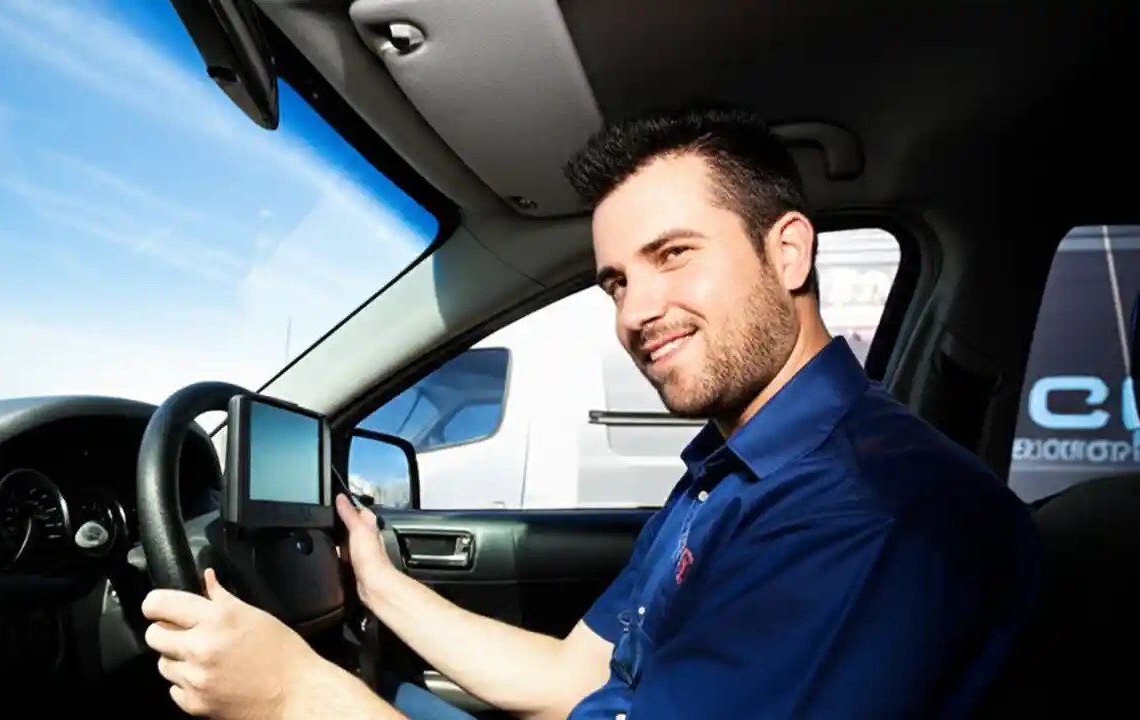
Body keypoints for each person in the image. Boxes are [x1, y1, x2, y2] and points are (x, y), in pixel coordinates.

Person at [139, 105, 1041, 719]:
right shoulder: (733, 468)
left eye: (675, 254)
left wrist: (297, 695)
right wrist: (377, 582)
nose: (635, 311)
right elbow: (576, 674)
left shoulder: (869, 509)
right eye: (616, 280)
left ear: (789, 251)